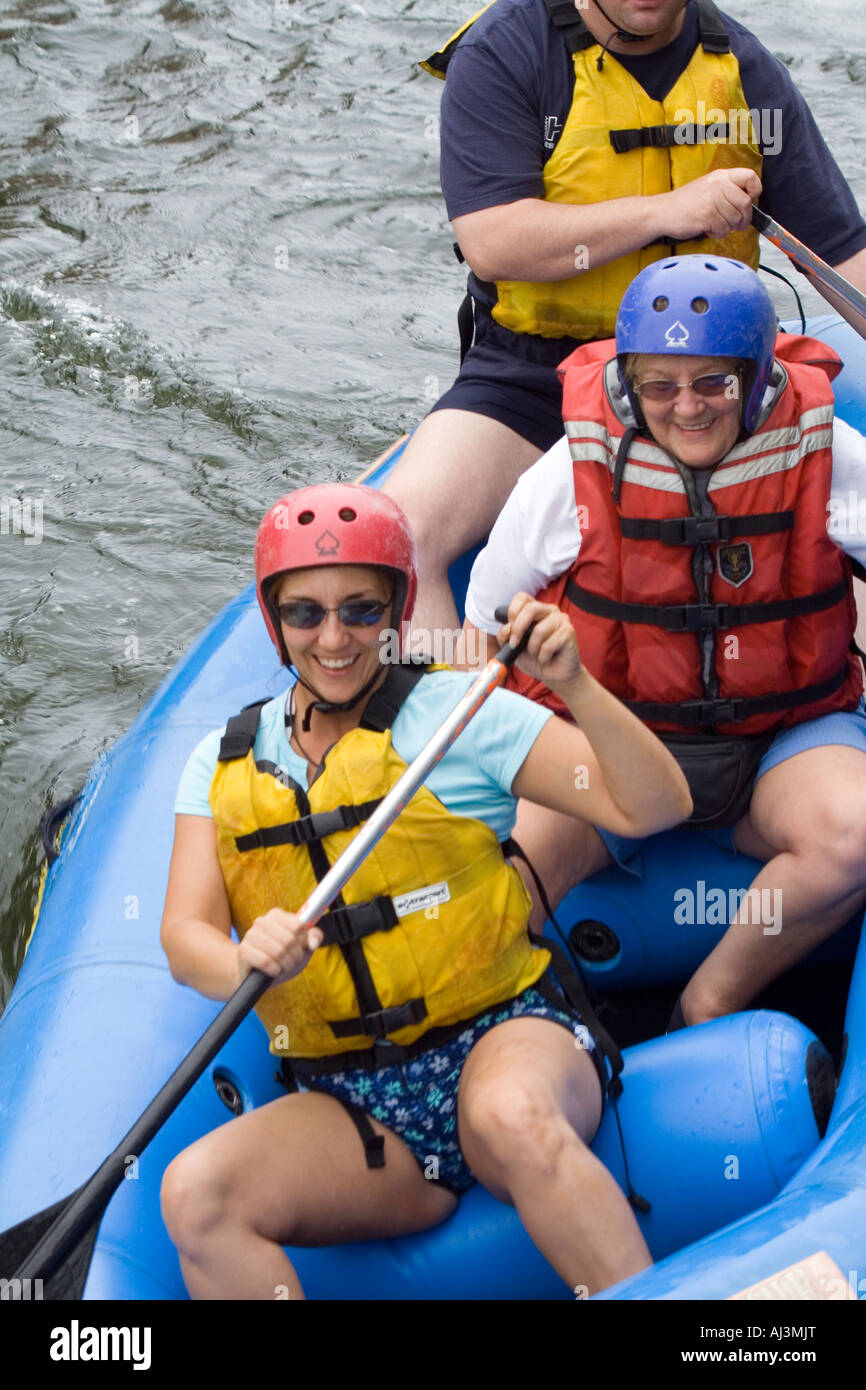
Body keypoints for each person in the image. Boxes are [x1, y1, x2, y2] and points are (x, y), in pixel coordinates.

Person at [158, 482, 691, 1299]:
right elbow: (184, 937)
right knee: (196, 1193)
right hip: (356, 1106)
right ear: (274, 621)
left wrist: (577, 685)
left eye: (361, 610)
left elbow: (656, 805)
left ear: (396, 611)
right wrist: (243, 962)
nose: (334, 638)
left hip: (503, 1038)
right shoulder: (221, 763)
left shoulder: (459, 714)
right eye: (305, 613)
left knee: (510, 1117)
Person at [463, 253, 866, 1030]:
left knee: (853, 832)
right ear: (628, 384)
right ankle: (515, 1035)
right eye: (661, 386)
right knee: (492, 892)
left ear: (756, 378)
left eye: (714, 383)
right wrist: (507, 768)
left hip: (781, 741)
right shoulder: (568, 471)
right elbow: (486, 622)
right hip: (615, 749)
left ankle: (707, 1000)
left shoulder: (828, 452)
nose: (687, 409)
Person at [385, 0, 866, 637]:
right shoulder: (508, 51)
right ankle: (461, 723)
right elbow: (492, 240)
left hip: (721, 380)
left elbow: (843, 255)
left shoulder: (744, 71)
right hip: (535, 378)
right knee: (400, 535)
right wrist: (668, 211)